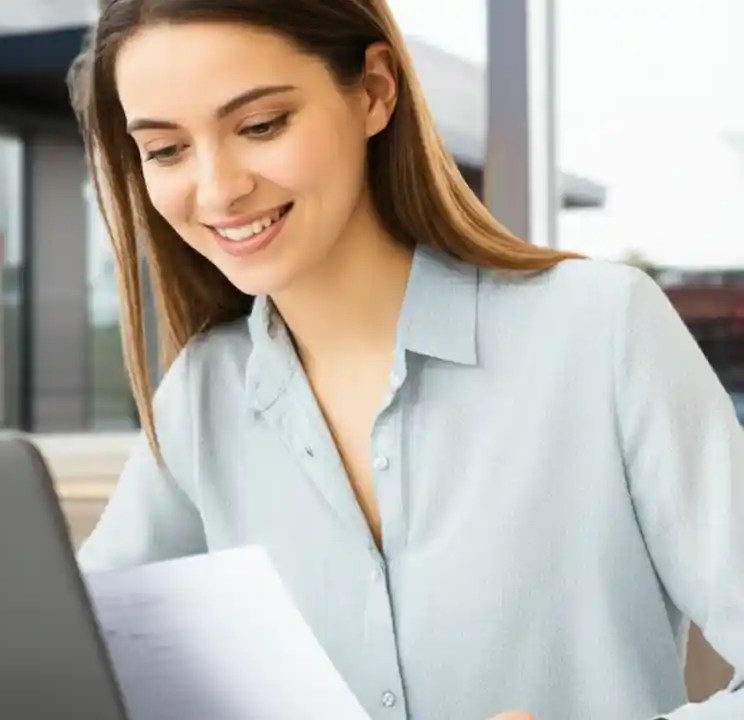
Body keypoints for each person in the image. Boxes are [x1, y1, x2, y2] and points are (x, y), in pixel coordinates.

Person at [69, 1, 743, 719]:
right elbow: (69, 665)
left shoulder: (600, 329)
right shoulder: (202, 395)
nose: (218, 188)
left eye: (261, 125)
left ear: (376, 91)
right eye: (167, 150)